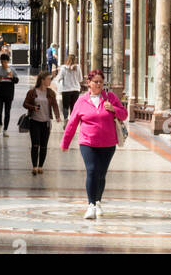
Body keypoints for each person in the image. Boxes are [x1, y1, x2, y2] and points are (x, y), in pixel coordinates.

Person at [61, 69, 127, 220]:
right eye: (95, 82)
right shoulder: (81, 100)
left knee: (101, 174)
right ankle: (90, 205)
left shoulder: (110, 97)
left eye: (101, 82)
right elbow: (72, 123)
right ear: (88, 83)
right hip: (88, 142)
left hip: (108, 143)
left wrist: (114, 109)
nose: (98, 85)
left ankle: (98, 202)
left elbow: (124, 114)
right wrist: (65, 142)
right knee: (91, 170)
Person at [24, 71, 61, 175]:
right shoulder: (32, 92)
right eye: (48, 79)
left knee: (44, 146)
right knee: (35, 145)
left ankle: (41, 166)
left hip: (46, 123)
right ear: (42, 80)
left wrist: (57, 116)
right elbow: (25, 104)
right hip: (34, 122)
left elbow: (55, 105)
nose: (50, 81)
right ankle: (34, 167)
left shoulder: (50, 93)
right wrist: (33, 107)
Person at [0, 54, 19, 136]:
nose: (3, 64)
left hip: (9, 94)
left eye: (5, 62)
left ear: (8, 61)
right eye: (2, 62)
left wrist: (12, 77)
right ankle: (0, 123)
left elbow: (16, 81)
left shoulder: (12, 70)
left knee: (7, 112)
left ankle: (5, 129)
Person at [54, 53, 84, 119]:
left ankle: (65, 120)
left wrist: (58, 86)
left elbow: (58, 78)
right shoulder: (78, 67)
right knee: (73, 106)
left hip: (66, 90)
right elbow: (80, 79)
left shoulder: (63, 68)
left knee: (65, 106)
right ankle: (72, 120)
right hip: (76, 89)